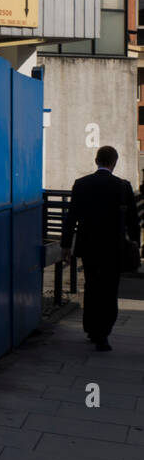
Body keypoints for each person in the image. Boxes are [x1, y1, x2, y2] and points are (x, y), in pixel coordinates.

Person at [61, 145, 140, 352]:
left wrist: (66, 245)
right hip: (113, 248)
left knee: (92, 286)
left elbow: (71, 218)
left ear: (96, 160)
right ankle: (103, 334)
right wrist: (136, 244)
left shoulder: (81, 184)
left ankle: (91, 327)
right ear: (114, 161)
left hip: (88, 246)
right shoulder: (123, 186)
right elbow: (133, 221)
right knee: (109, 289)